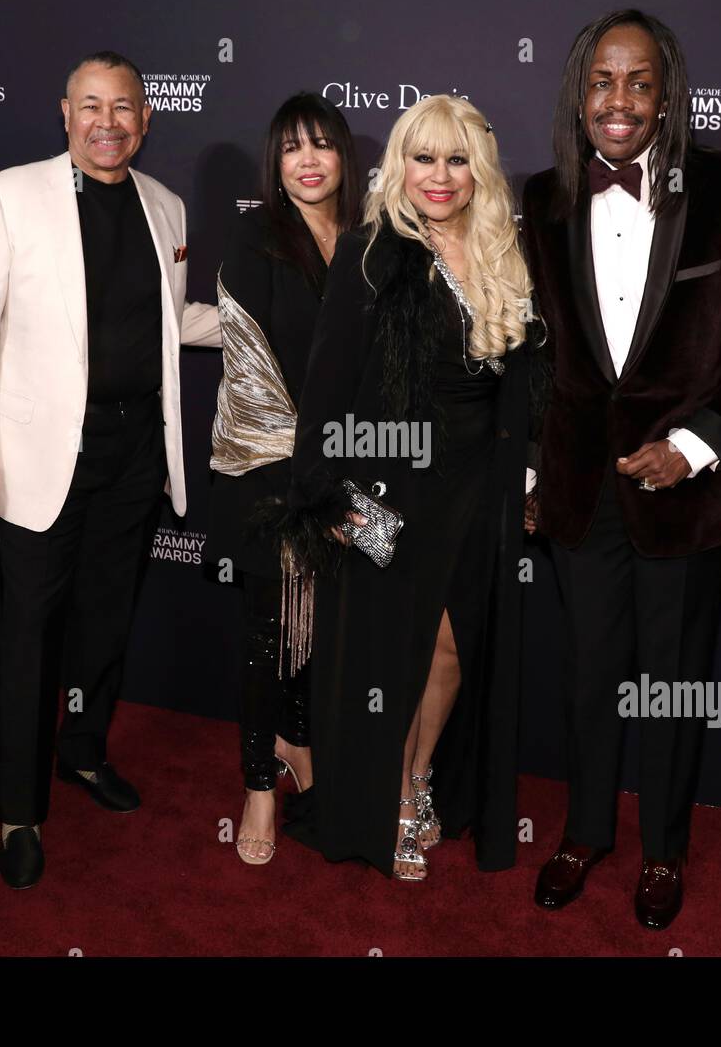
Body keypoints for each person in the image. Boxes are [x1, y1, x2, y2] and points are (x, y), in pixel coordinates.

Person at [523, 10, 721, 927]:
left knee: (673, 680)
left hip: (682, 494)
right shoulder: (543, 198)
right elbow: (536, 356)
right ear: (579, 91)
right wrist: (534, 472)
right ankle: (586, 831)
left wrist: (692, 445)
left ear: (667, 92)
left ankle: (663, 850)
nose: (618, 100)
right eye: (602, 81)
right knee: (589, 675)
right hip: (578, 490)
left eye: (638, 82)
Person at [0, 50, 220, 889]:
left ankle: (84, 753)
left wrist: (276, 319)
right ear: (64, 113)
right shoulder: (8, 194)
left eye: (125, 107)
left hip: (135, 459)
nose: (109, 121)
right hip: (35, 462)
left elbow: (176, 320)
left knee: (105, 625)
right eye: (91, 105)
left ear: (147, 118)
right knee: (31, 639)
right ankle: (19, 810)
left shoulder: (165, 206)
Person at [273, 95, 537, 880]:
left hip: (477, 491)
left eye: (457, 159)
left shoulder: (504, 252)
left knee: (452, 648)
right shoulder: (370, 253)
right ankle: (386, 796)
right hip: (390, 491)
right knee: (395, 658)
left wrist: (526, 474)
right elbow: (324, 394)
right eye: (424, 157)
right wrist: (330, 497)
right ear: (400, 163)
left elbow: (524, 384)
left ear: (478, 168)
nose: (440, 176)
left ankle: (420, 776)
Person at [206, 92, 362, 864]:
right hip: (271, 470)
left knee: (326, 626)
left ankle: (301, 744)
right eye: (293, 146)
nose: (307, 160)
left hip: (352, 467)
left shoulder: (372, 239)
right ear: (277, 160)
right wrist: (307, 470)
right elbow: (250, 371)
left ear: (343, 157)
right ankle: (258, 782)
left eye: (322, 145)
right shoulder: (256, 233)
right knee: (269, 633)